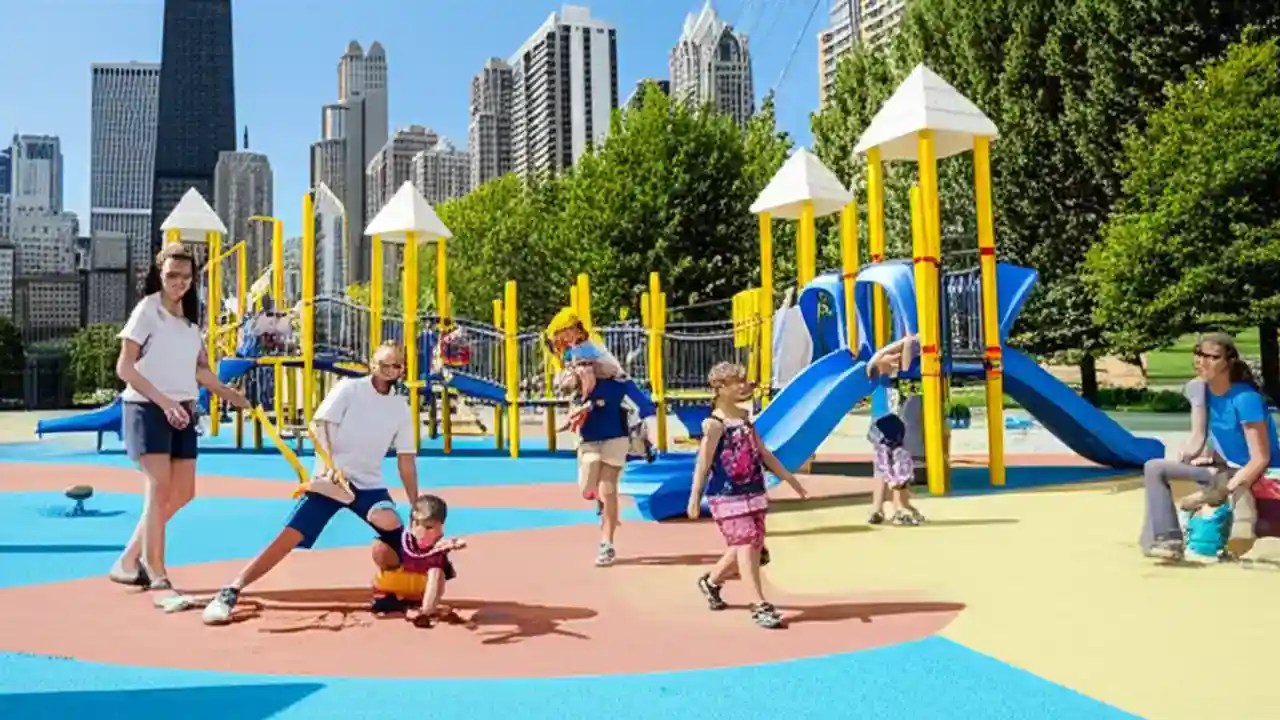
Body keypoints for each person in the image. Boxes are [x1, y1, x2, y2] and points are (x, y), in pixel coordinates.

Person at [202, 342, 420, 625]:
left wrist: (416, 504)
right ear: (372, 363)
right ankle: (232, 589)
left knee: (394, 528)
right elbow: (320, 426)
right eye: (385, 364)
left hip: (368, 484)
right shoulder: (349, 389)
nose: (390, 370)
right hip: (332, 481)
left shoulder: (399, 407)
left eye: (397, 365)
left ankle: (392, 588)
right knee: (289, 537)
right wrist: (329, 466)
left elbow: (406, 461)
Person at [109, 243, 248, 592]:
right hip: (146, 406)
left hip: (183, 409)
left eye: (186, 277)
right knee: (159, 488)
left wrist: (228, 393)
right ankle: (156, 570)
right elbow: (125, 367)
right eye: (172, 275)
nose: (179, 282)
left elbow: (200, 370)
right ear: (160, 274)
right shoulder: (147, 310)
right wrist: (163, 401)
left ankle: (128, 559)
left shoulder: (189, 322)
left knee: (184, 492)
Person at [689, 362, 808, 629]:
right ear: (720, 388)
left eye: (743, 380)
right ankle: (759, 604)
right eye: (736, 382)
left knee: (749, 543)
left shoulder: (744, 418)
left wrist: (790, 479)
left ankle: (711, 582)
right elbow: (703, 463)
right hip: (727, 495)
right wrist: (695, 497)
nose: (744, 386)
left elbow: (763, 453)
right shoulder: (714, 425)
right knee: (746, 545)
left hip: (753, 489)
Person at [1141, 333, 1279, 560]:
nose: (1201, 361)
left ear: (1228, 363)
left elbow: (1260, 458)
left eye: (1212, 357)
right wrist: (1188, 459)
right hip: (1224, 469)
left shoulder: (1246, 399)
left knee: (1234, 515)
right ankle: (1167, 540)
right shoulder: (1200, 390)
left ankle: (1237, 530)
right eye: (1198, 354)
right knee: (1155, 468)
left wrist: (1225, 489)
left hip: (1258, 473)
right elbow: (1197, 438)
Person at [371, 494, 467, 627]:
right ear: (412, 524)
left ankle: (425, 613)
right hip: (393, 587)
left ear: (440, 528)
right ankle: (393, 601)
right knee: (381, 548)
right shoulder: (402, 539)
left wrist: (452, 545)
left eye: (430, 527)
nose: (423, 532)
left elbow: (453, 544)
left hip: (420, 590)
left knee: (436, 572)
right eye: (418, 525)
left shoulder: (439, 548)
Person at [867, 413, 926, 525]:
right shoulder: (901, 452)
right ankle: (899, 511)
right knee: (898, 479)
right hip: (892, 425)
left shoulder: (884, 447)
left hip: (884, 423)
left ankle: (879, 509)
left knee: (886, 467)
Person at [1179, 485, 1232, 563]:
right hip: (1214, 553)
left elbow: (1185, 505)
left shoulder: (1196, 513)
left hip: (1192, 551)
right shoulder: (1224, 512)